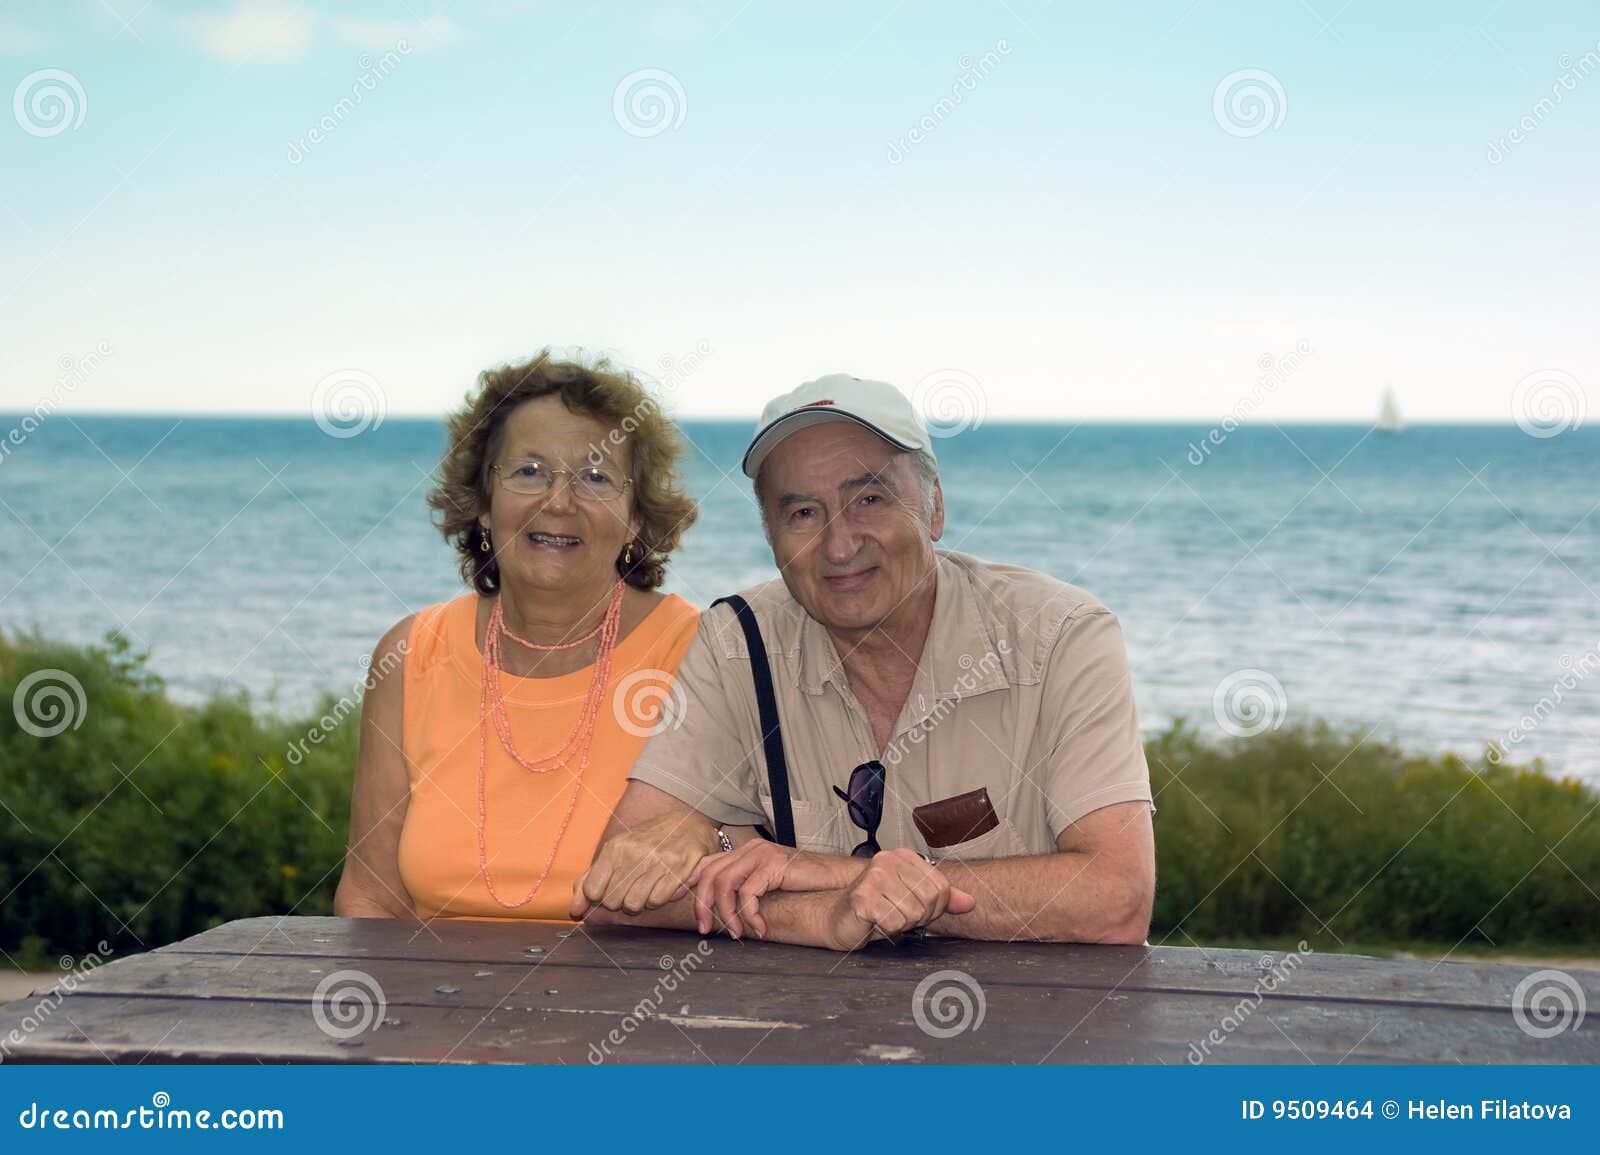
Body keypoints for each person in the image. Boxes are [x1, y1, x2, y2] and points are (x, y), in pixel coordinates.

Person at [572, 373, 1156, 950]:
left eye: (869, 499)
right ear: (770, 537)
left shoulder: (1060, 635)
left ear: (934, 509)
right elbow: (610, 896)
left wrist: (822, 871)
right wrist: (826, 915)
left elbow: (1117, 898)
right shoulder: (737, 640)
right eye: (802, 512)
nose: (839, 544)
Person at [334, 350, 701, 921]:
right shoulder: (410, 656)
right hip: (436, 1005)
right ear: (484, 502)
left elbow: (743, 856)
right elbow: (370, 897)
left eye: (596, 477)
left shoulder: (698, 654)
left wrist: (710, 839)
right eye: (529, 471)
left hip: (627, 1004)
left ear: (636, 517)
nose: (558, 501)